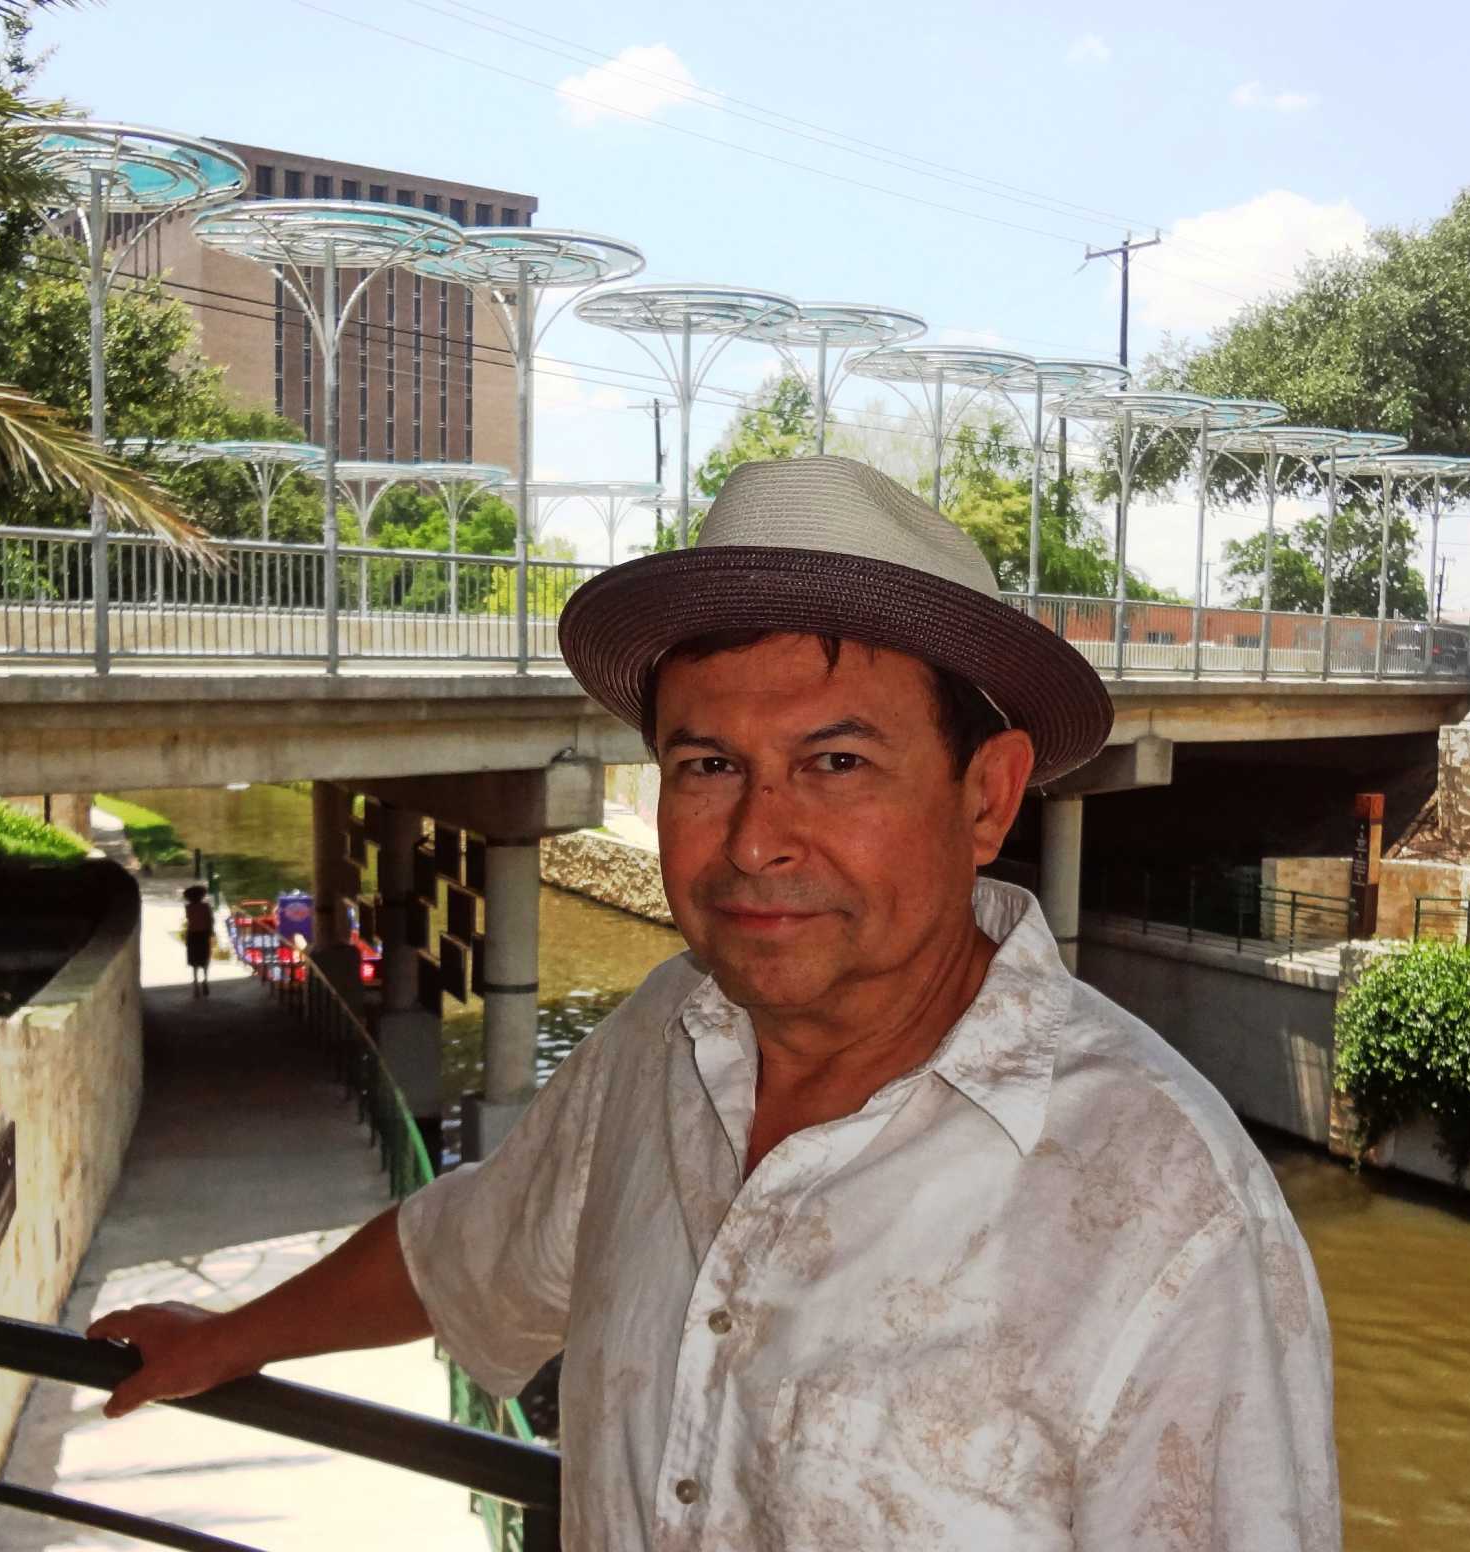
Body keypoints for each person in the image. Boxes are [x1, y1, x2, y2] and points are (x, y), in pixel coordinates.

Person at [91, 457, 1339, 1549]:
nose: (753, 840)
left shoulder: (1166, 1211)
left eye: (835, 763)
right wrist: (230, 1337)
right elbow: (471, 1248)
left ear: (985, 796)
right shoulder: (657, 1043)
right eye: (706, 766)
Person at [181, 884, 214, 998]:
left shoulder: (188, 907)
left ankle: (195, 983)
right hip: (204, 934)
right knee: (204, 958)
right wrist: (211, 932)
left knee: (194, 959)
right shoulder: (206, 907)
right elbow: (210, 920)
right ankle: (205, 979)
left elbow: (190, 921)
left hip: (192, 934)